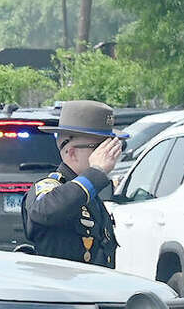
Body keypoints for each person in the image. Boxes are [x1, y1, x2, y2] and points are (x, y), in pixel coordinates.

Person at [22, 99, 123, 266]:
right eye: (100, 147)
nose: (109, 154)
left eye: (111, 145)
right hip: (61, 289)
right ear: (71, 152)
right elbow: (43, 211)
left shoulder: (90, 192)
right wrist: (96, 172)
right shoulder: (54, 187)